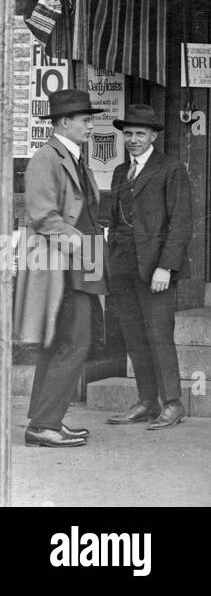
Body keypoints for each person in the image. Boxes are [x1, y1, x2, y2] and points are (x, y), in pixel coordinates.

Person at [18, 89, 108, 448]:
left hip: (81, 262)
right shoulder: (47, 158)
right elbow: (43, 216)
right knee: (73, 342)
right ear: (63, 123)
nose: (91, 125)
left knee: (64, 342)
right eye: (85, 120)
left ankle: (45, 419)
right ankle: (44, 424)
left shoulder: (73, 157)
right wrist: (82, 245)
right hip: (64, 264)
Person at [100, 103, 195, 429]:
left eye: (140, 133)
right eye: (128, 134)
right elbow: (111, 221)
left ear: (153, 135)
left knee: (158, 336)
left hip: (155, 269)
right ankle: (146, 401)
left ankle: (172, 403)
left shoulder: (170, 169)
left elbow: (181, 223)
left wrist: (166, 267)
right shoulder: (118, 171)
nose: (133, 139)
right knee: (134, 336)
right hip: (123, 267)